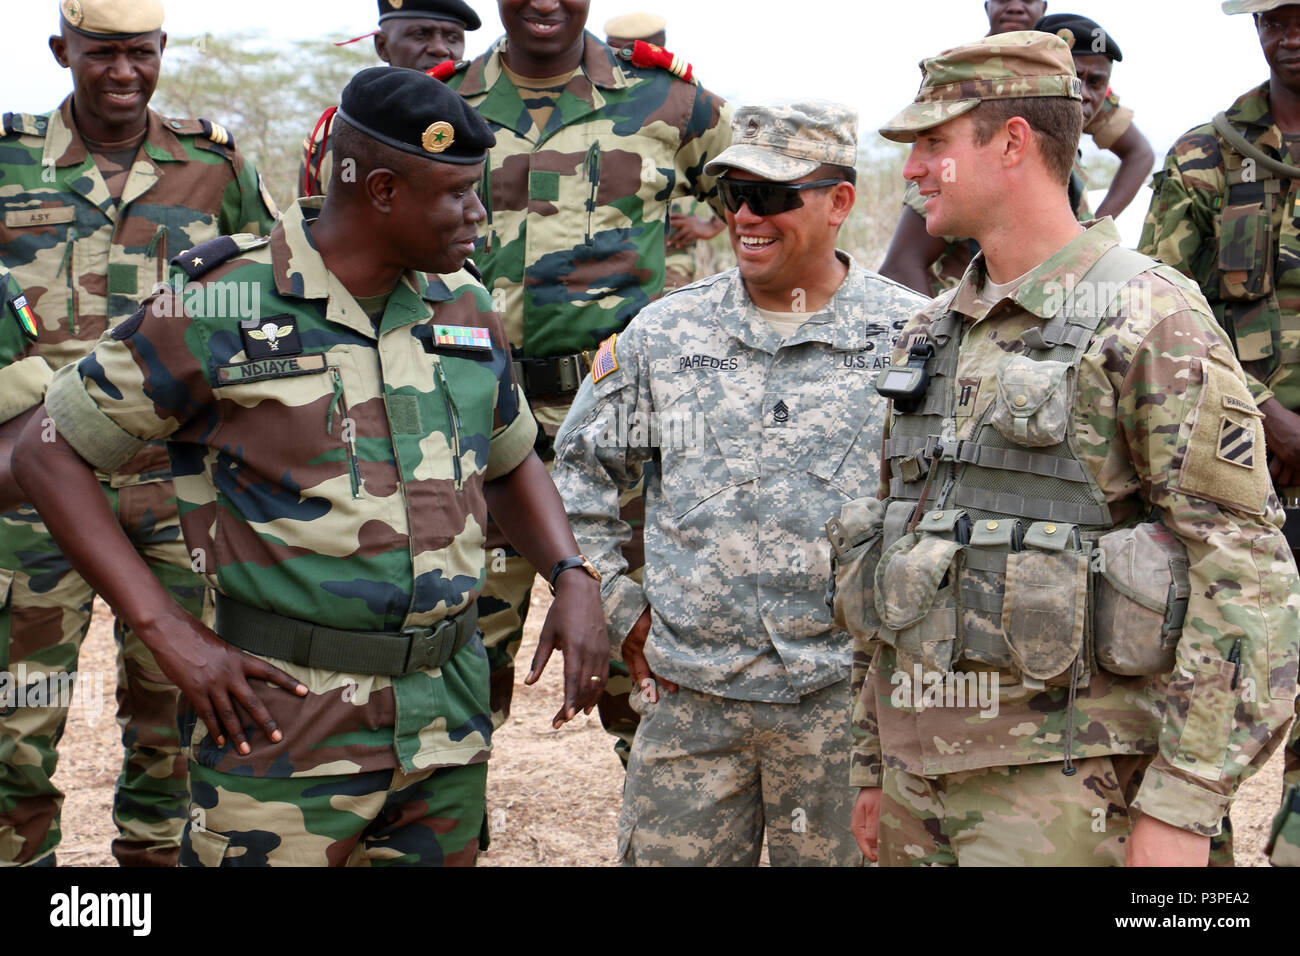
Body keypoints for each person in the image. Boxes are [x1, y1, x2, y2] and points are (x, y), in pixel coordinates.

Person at [12, 66, 609, 867]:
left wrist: (570, 571)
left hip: (446, 714)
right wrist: (169, 631)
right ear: (386, 193)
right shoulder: (224, 301)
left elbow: (506, 456)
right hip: (283, 721)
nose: (479, 213)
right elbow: (51, 453)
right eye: (459, 194)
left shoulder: (460, 302)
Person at [848, 31, 1300, 867]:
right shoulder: (930, 333)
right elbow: (895, 551)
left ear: (1012, 142)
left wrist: (1184, 805)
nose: (912, 171)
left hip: (1075, 804)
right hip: (922, 790)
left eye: (934, 144)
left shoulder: (1149, 318)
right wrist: (872, 763)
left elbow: (1248, 577)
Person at [552, 102, 922, 866]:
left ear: (840, 202)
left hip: (843, 714)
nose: (747, 216)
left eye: (775, 196)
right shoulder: (665, 334)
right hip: (693, 710)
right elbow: (580, 476)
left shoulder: (913, 336)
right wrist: (621, 606)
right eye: (733, 195)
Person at [0, 0, 277, 867]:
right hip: (32, 488)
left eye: (141, 55)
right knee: (16, 713)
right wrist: (22, 404)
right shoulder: (8, 157)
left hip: (176, 488)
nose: (124, 74)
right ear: (61, 51)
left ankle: (151, 875)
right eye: (101, 55)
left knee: (180, 708)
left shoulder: (211, 162)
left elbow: (255, 280)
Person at [442, 0, 733, 761]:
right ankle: (439, 826)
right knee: (455, 656)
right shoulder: (443, 104)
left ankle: (669, 829)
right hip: (473, 418)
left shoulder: (673, 103)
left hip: (624, 427)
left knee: (648, 660)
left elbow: (762, 206)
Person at [1141, 0, 1300, 869]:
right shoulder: (1204, 155)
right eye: (1274, 15)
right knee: (1213, 677)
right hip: (1234, 468)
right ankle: (1203, 878)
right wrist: (1265, 417)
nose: (1290, 31)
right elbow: (1160, 301)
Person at [879, 8, 1152, 296]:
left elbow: (1140, 152)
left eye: (1093, 82)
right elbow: (901, 264)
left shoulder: (1143, 301)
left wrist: (1089, 233)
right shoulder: (974, 101)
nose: (1081, 93)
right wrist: (937, 333)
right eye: (1068, 78)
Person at [298, 0, 481, 197]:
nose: (440, 49)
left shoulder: (481, 127)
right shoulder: (333, 134)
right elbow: (311, 221)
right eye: (420, 34)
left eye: (452, 38)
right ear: (382, 46)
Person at [604, 12, 726, 291]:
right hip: (605, 273)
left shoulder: (684, 102)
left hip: (668, 265)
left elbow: (737, 176)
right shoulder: (600, 101)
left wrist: (709, 226)